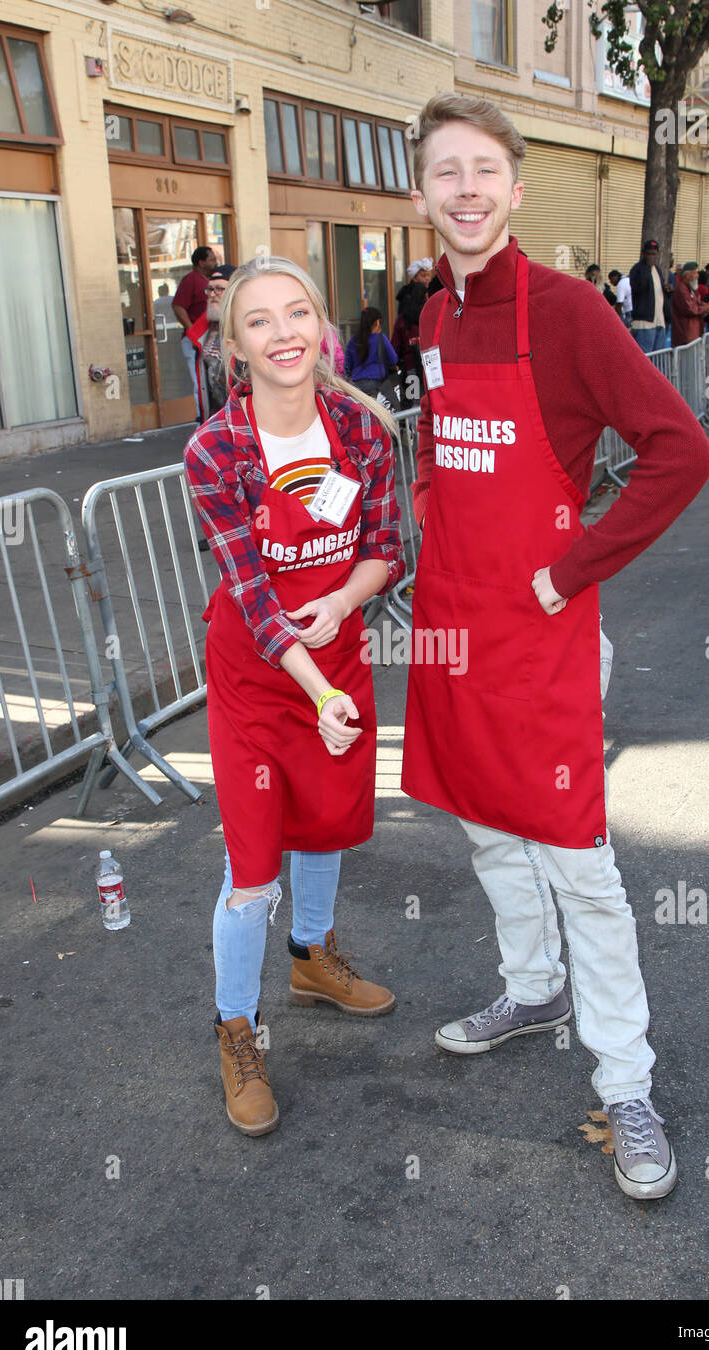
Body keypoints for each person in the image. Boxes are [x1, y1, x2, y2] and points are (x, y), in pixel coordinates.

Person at [401, 93, 709, 1202]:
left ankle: (626, 1079)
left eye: (485, 169)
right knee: (488, 833)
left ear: (514, 186)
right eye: (447, 172)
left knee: (580, 864)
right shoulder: (431, 319)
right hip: (457, 632)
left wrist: (568, 567)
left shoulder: (571, 311)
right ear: (424, 191)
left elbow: (680, 452)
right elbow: (444, 454)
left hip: (542, 638)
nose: (468, 190)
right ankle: (531, 990)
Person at [183, 256, 404, 1137]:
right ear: (234, 344)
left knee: (326, 817)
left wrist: (346, 600)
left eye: (299, 313)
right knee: (252, 865)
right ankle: (236, 1026)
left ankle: (313, 957)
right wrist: (313, 688)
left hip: (335, 654)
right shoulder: (215, 450)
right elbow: (248, 589)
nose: (284, 334)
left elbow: (387, 546)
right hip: (256, 674)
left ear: (323, 326)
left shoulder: (362, 428)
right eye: (261, 321)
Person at [186, 263, 238, 425]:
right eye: (210, 289)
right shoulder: (204, 331)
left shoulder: (246, 328)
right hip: (216, 420)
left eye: (219, 289)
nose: (213, 294)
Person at [173, 246, 218, 397]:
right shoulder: (190, 280)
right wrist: (192, 332)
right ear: (201, 263)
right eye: (212, 260)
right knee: (199, 382)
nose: (215, 263)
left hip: (210, 339)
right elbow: (178, 306)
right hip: (196, 339)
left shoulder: (211, 281)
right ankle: (202, 418)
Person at [391, 259, 433, 397]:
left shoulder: (403, 320)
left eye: (428, 275)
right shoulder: (428, 313)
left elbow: (396, 345)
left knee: (414, 401)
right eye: (423, 275)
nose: (427, 278)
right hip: (424, 365)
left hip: (413, 365)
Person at [343, 308, 399, 397]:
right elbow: (393, 359)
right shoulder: (381, 338)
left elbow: (347, 366)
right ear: (377, 322)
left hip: (356, 384)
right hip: (376, 382)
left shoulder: (353, 340)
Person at [628, 239, 667, 352]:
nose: (651, 257)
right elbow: (638, 288)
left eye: (654, 254)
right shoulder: (637, 269)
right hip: (644, 323)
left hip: (659, 320)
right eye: (648, 254)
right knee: (646, 358)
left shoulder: (657, 270)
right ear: (644, 253)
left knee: (658, 358)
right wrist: (646, 268)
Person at [671, 261, 709, 345]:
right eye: (695, 273)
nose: (697, 275)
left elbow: (697, 302)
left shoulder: (691, 288)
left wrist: (707, 306)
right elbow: (689, 308)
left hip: (693, 333)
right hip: (685, 334)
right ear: (687, 275)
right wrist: (705, 308)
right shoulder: (682, 289)